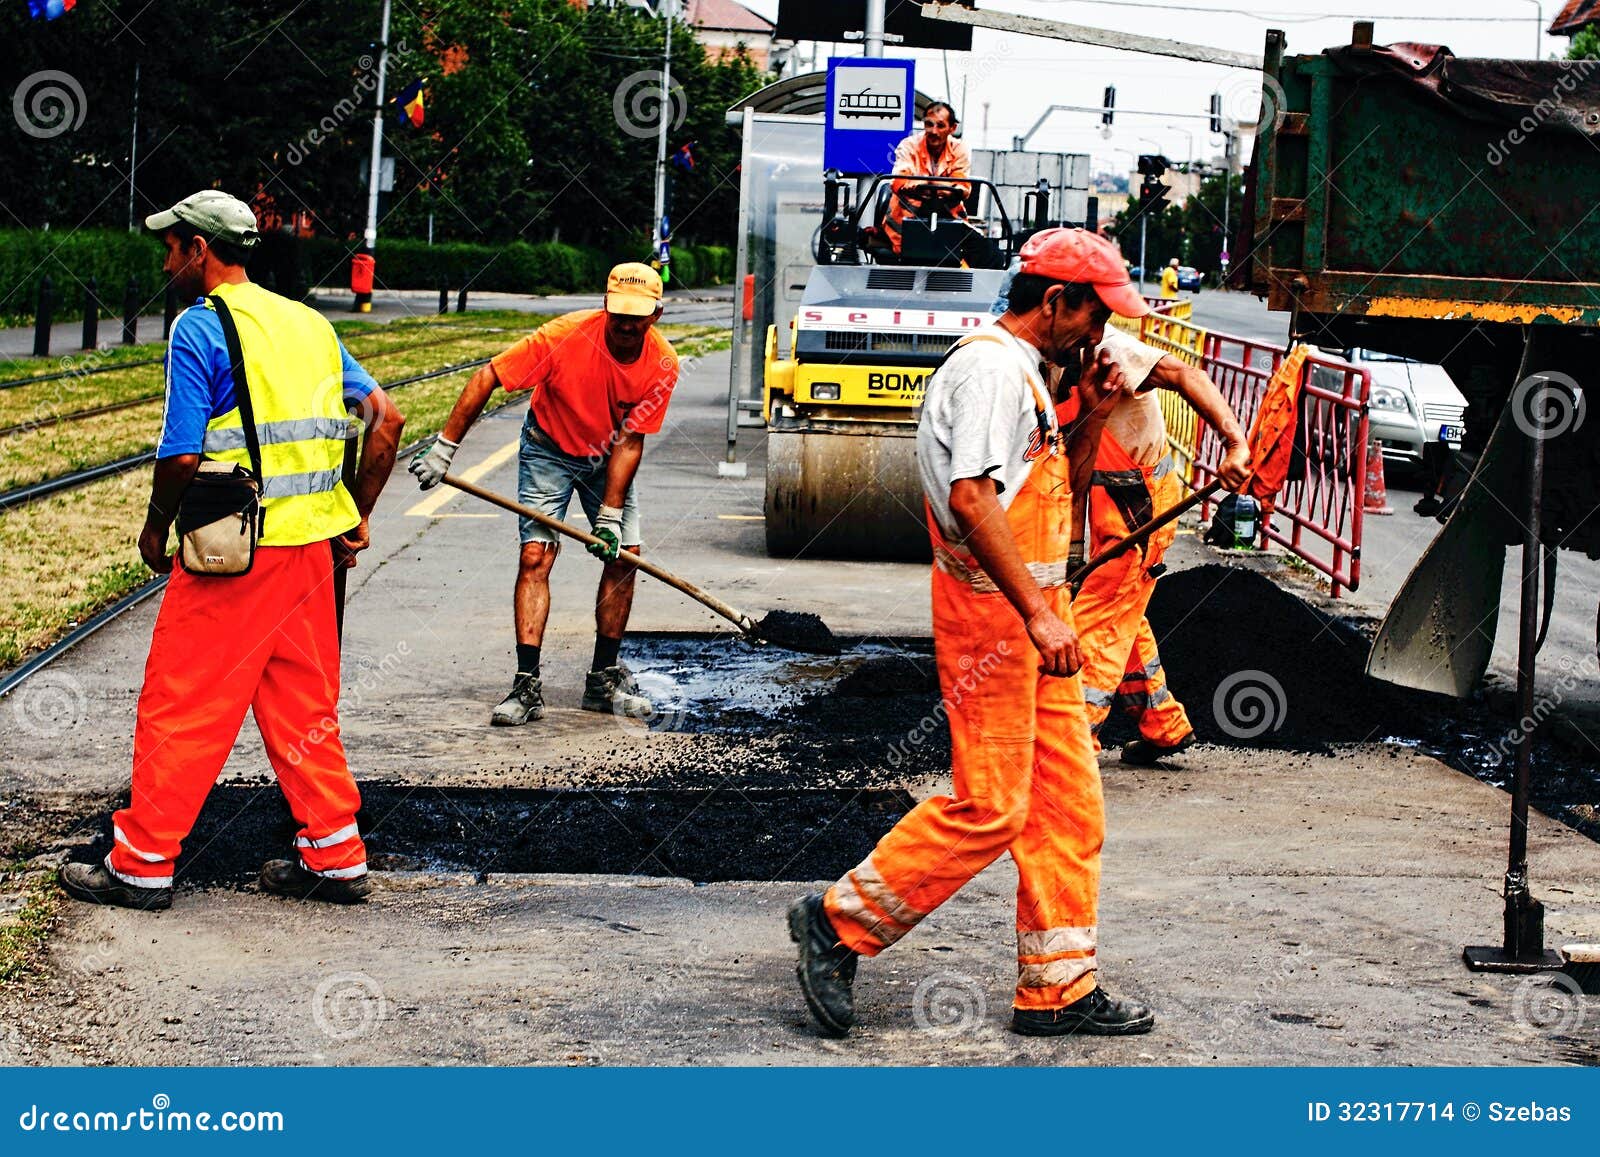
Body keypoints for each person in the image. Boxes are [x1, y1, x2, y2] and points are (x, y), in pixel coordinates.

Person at [789, 228, 1159, 1039]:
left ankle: (1058, 988)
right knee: (991, 806)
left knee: (1068, 806)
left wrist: (1092, 414)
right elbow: (973, 500)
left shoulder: (1029, 375)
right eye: (1093, 315)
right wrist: (1034, 611)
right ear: (1054, 300)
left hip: (1035, 614)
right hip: (997, 617)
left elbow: (1051, 484)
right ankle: (835, 921)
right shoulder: (992, 370)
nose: (1100, 333)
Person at [59, 190, 404, 911]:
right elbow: (388, 419)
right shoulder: (309, 324)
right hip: (310, 556)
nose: (166, 260)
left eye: (172, 246)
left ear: (200, 250)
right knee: (303, 705)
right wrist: (355, 514)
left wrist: (156, 528)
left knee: (182, 701)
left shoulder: (199, 327)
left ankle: (143, 861)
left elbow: (182, 456)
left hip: (234, 554)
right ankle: (337, 855)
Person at [410, 263, 679, 725]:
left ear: (656, 313)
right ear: (605, 304)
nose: (627, 324)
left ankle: (603, 681)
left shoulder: (663, 364)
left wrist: (610, 514)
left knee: (624, 556)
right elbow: (487, 377)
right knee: (536, 556)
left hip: (607, 456)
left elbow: (631, 441)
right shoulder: (563, 336)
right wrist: (444, 449)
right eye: (619, 313)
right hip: (548, 449)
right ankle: (527, 684)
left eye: (638, 315)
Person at [1069, 326, 1250, 763]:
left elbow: (1186, 375)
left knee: (1094, 620)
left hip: (1141, 506)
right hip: (1106, 502)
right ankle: (1163, 725)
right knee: (1122, 612)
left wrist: (1234, 442)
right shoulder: (1047, 358)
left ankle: (1071, 743)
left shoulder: (1112, 351)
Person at [884, 101, 971, 256]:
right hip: (905, 223)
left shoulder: (960, 149)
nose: (933, 131)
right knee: (907, 254)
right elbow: (899, 182)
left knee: (988, 254)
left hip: (949, 218)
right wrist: (940, 186)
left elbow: (962, 187)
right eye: (929, 124)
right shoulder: (908, 146)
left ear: (952, 128)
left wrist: (926, 183)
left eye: (940, 125)